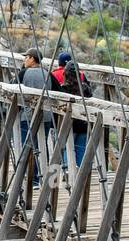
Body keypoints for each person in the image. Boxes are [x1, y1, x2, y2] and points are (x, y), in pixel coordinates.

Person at [17, 48, 60, 185]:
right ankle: (43, 175)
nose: (24, 60)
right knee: (42, 145)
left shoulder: (23, 73)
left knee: (28, 145)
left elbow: (13, 91)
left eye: (26, 57)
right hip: (46, 116)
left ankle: (30, 177)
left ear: (32, 58)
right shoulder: (48, 74)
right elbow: (59, 91)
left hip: (27, 115)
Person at [59, 60, 92, 170]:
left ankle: (67, 170)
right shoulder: (85, 88)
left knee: (67, 147)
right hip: (83, 123)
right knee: (80, 149)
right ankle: (79, 172)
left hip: (69, 123)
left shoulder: (63, 88)